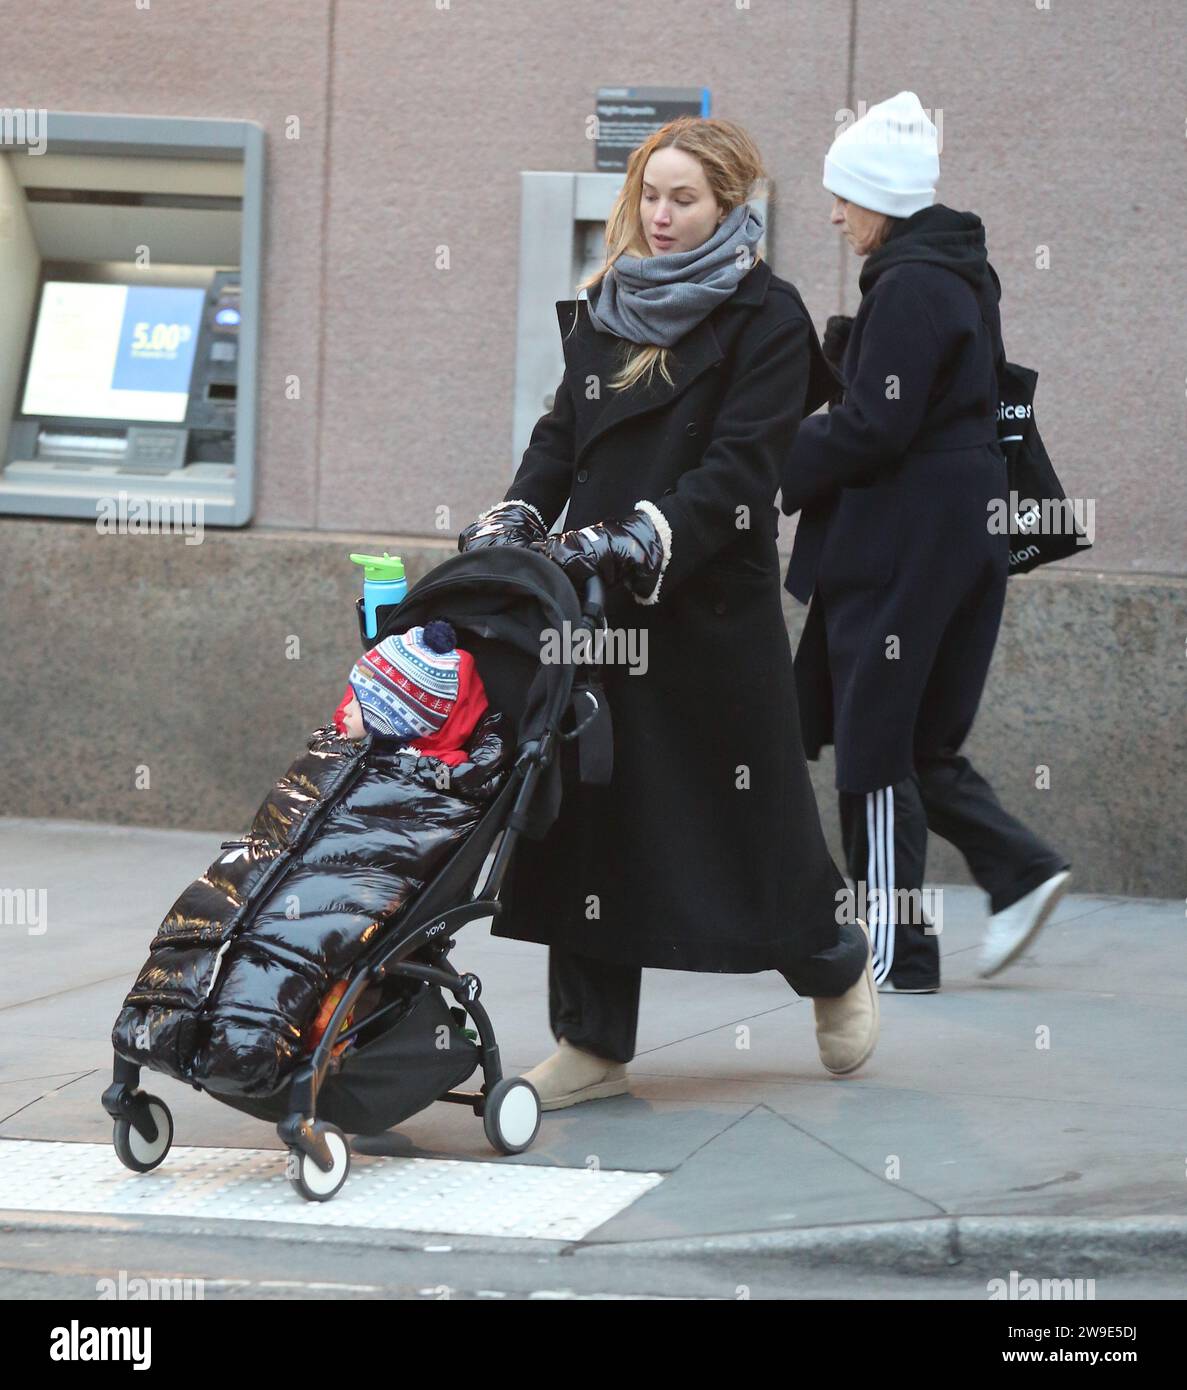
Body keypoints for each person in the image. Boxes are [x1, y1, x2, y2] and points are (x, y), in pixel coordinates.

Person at [457, 116, 878, 1110]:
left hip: (704, 607)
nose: (659, 215)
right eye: (650, 194)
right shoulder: (611, 301)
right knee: (584, 814)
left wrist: (651, 537)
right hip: (593, 599)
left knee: (748, 819)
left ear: (728, 206)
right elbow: (563, 435)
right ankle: (592, 1041)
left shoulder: (766, 316)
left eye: (683, 198)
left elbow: (741, 467)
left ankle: (831, 962)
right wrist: (522, 510)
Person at [779, 92, 1071, 994]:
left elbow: (874, 426)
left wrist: (769, 462)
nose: (832, 214)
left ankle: (888, 949)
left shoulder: (911, 283)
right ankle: (1018, 872)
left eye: (843, 196)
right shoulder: (954, 274)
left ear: (881, 197)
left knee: (874, 744)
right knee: (919, 742)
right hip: (956, 530)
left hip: (904, 539)